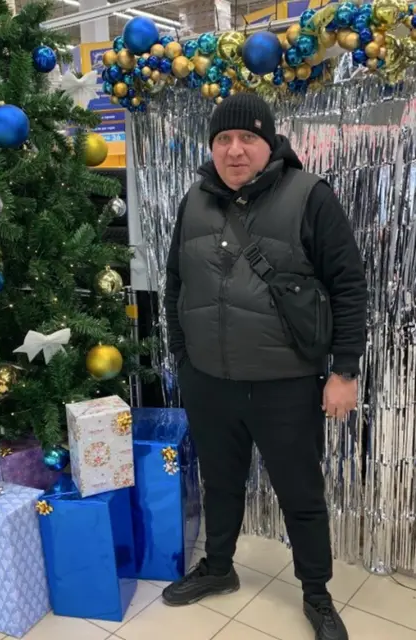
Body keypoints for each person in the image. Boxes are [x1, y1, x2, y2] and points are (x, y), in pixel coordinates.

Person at [163, 93, 367, 640]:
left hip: (286, 385)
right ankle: (219, 567)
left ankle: (317, 594)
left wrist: (344, 371)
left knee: (300, 495)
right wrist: (184, 358)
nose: (234, 150)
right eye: (223, 139)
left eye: (247, 138)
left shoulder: (310, 196)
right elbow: (175, 284)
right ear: (212, 146)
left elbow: (349, 286)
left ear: (269, 142)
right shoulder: (193, 201)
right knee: (220, 484)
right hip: (209, 382)